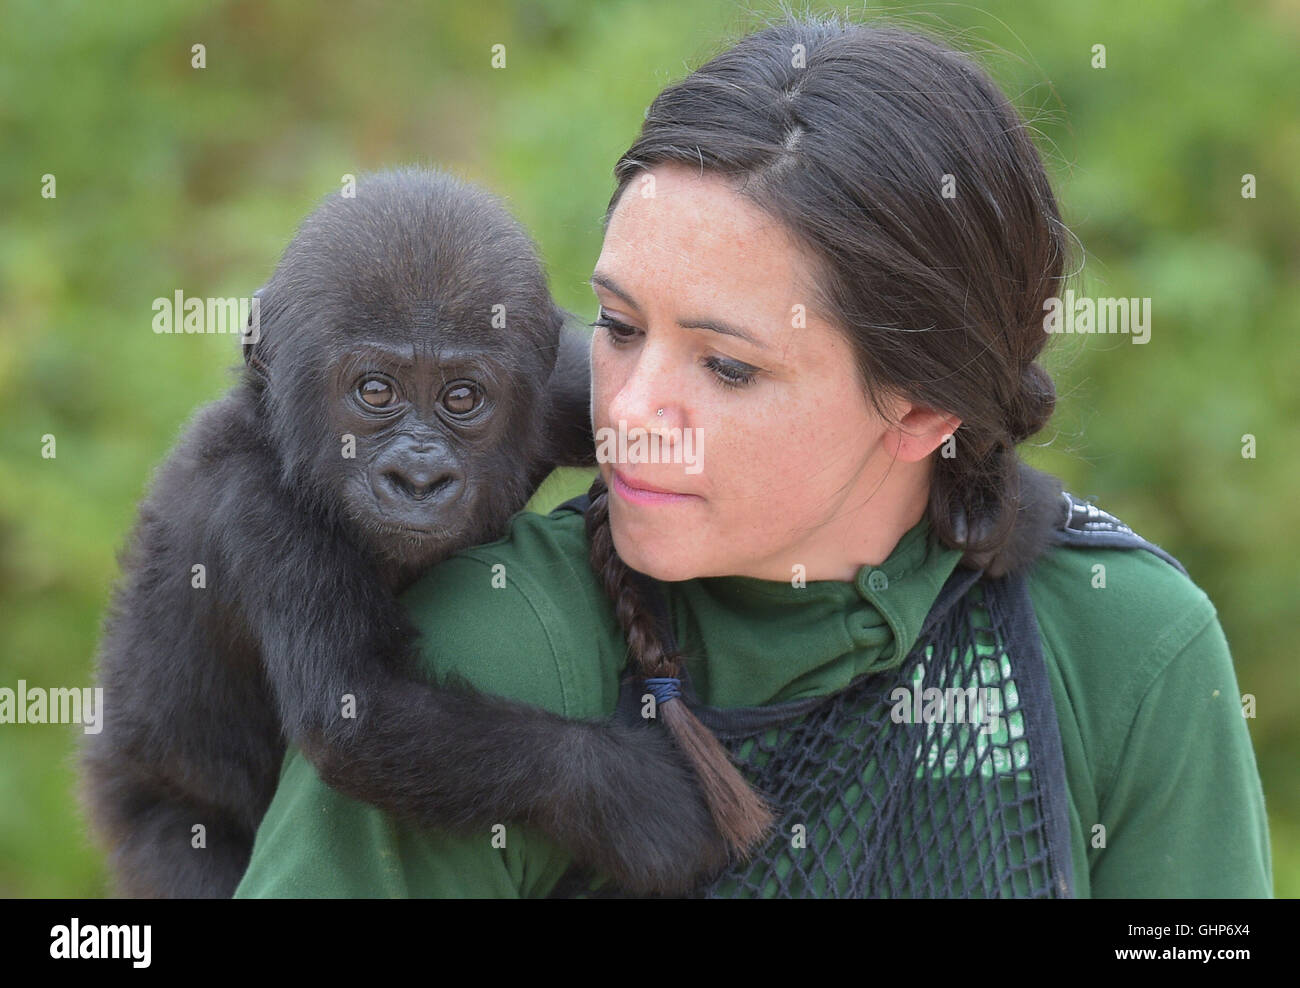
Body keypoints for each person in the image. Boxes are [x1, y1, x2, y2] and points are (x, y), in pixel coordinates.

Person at [234, 14, 1271, 898]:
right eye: (618, 325)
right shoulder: (494, 651)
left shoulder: (1125, 645)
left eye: (726, 367)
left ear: (918, 412)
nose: (630, 412)